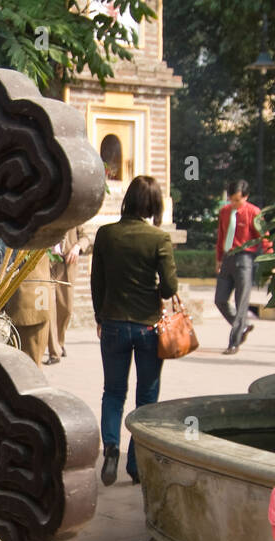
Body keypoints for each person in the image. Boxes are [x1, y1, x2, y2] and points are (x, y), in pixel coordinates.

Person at [91, 175, 178, 485]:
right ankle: (137, 463)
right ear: (154, 205)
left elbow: (96, 282)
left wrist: (100, 317)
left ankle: (111, 448)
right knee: (146, 397)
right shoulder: (158, 239)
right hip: (148, 328)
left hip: (113, 324)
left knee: (113, 392)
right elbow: (169, 288)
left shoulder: (106, 234)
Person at [214, 179, 271, 354]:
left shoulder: (254, 212)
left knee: (241, 303)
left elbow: (264, 237)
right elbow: (221, 236)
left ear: (246, 197)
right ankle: (243, 326)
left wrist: (270, 260)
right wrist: (218, 259)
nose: (234, 203)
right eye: (232, 199)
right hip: (227, 257)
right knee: (220, 299)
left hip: (245, 259)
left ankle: (234, 342)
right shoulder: (224, 212)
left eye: (238, 200)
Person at [45, 225, 91, 364]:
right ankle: (54, 352)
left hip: (66, 264)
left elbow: (85, 238)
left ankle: (59, 341)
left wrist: (77, 247)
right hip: (47, 262)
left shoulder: (73, 214)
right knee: (49, 309)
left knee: (66, 308)